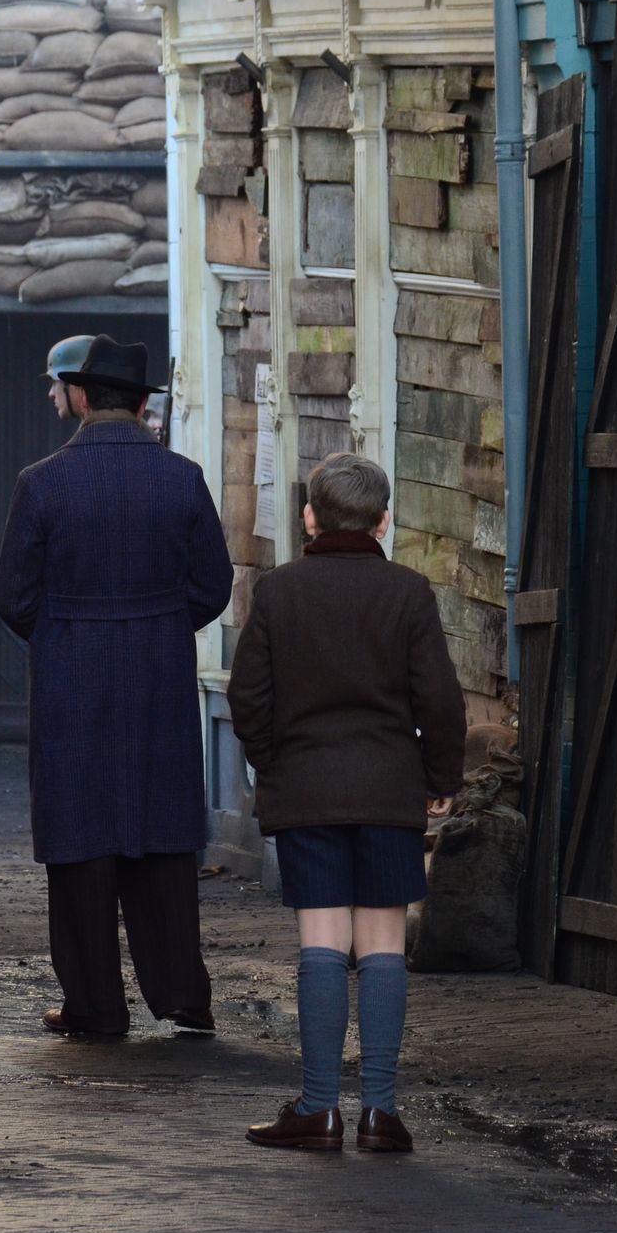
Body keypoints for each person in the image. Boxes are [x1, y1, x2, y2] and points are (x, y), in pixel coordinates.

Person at [0, 335, 234, 1038]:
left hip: (71, 678)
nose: (55, 395)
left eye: (59, 386)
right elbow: (213, 584)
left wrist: (64, 633)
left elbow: (12, 594)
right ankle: (182, 993)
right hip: (158, 674)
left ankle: (95, 1005)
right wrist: (160, 624)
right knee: (162, 834)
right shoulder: (182, 478)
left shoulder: (41, 482)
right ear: (138, 401)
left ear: (82, 395)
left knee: (79, 838)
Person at [227, 453, 466, 1154]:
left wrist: (275, 763)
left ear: (309, 517)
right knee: (384, 943)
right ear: (383, 521)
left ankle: (319, 1109)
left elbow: (248, 696)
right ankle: (381, 1114)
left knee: (323, 940)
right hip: (389, 791)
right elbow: (440, 699)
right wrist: (441, 777)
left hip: (307, 791)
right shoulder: (409, 592)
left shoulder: (279, 591)